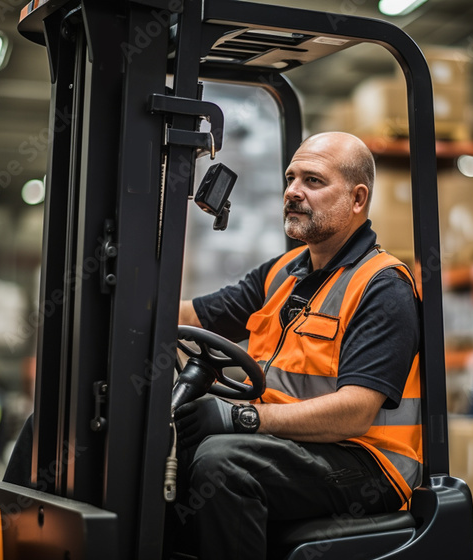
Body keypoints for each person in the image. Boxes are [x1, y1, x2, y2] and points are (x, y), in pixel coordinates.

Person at [172, 131, 422, 559]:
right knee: (153, 439)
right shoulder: (285, 272)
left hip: (368, 463)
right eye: (290, 178)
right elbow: (191, 318)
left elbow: (355, 413)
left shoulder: (383, 285)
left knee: (223, 463)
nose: (292, 191)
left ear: (357, 199)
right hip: (293, 445)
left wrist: (242, 418)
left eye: (313, 181)